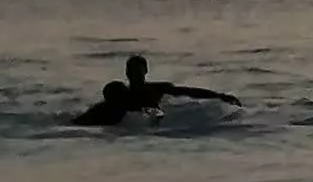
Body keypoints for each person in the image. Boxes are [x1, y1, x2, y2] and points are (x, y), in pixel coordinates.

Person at [69, 52, 238, 127]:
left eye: (138, 70)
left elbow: (188, 91)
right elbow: (93, 114)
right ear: (127, 73)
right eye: (131, 71)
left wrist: (219, 96)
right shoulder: (120, 95)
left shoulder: (157, 89)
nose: (135, 74)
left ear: (145, 71)